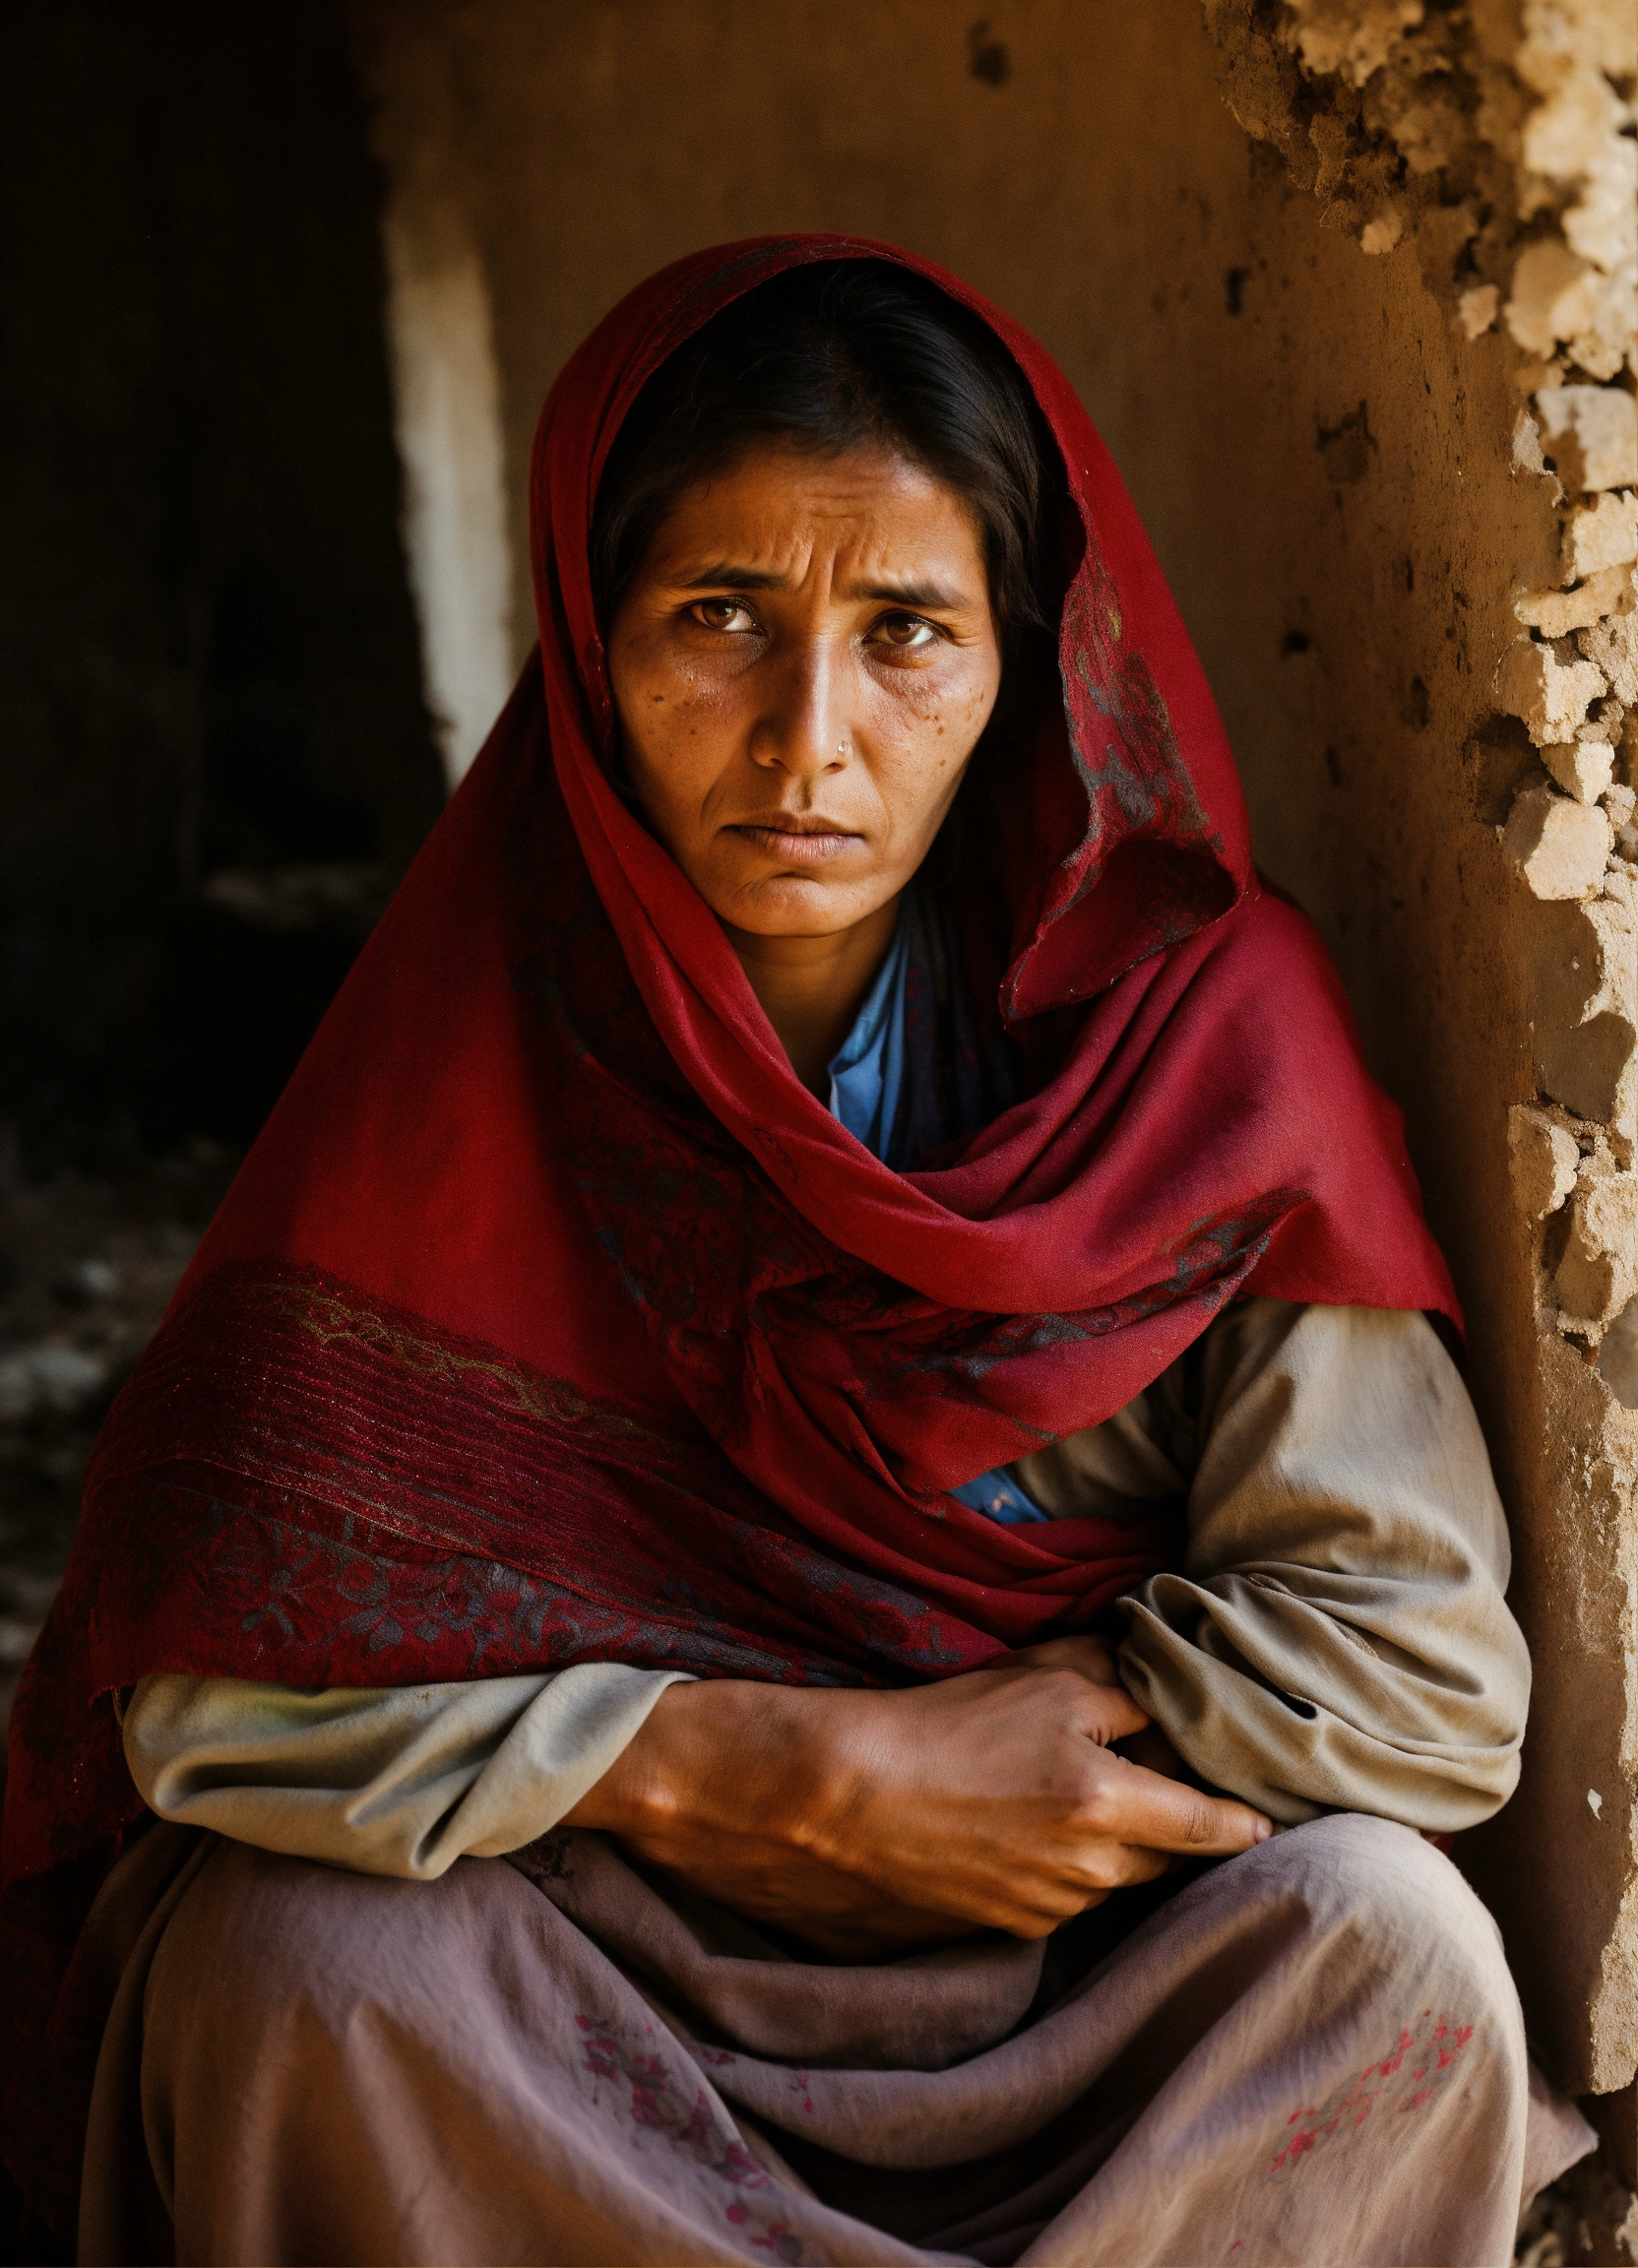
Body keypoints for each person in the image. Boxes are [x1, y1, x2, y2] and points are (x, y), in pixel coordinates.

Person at [0, 237, 1592, 2265]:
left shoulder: (1187, 1047)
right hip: (590, 1962)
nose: (807, 738)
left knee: (1391, 1955)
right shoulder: (466, 1055)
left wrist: (991, 1773)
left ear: (1029, 658)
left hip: (1060, 1961)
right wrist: (742, 1767)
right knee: (290, 1967)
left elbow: (1421, 1671)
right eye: (720, 618)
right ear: (587, 639)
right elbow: (206, 1697)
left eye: (907, 628)